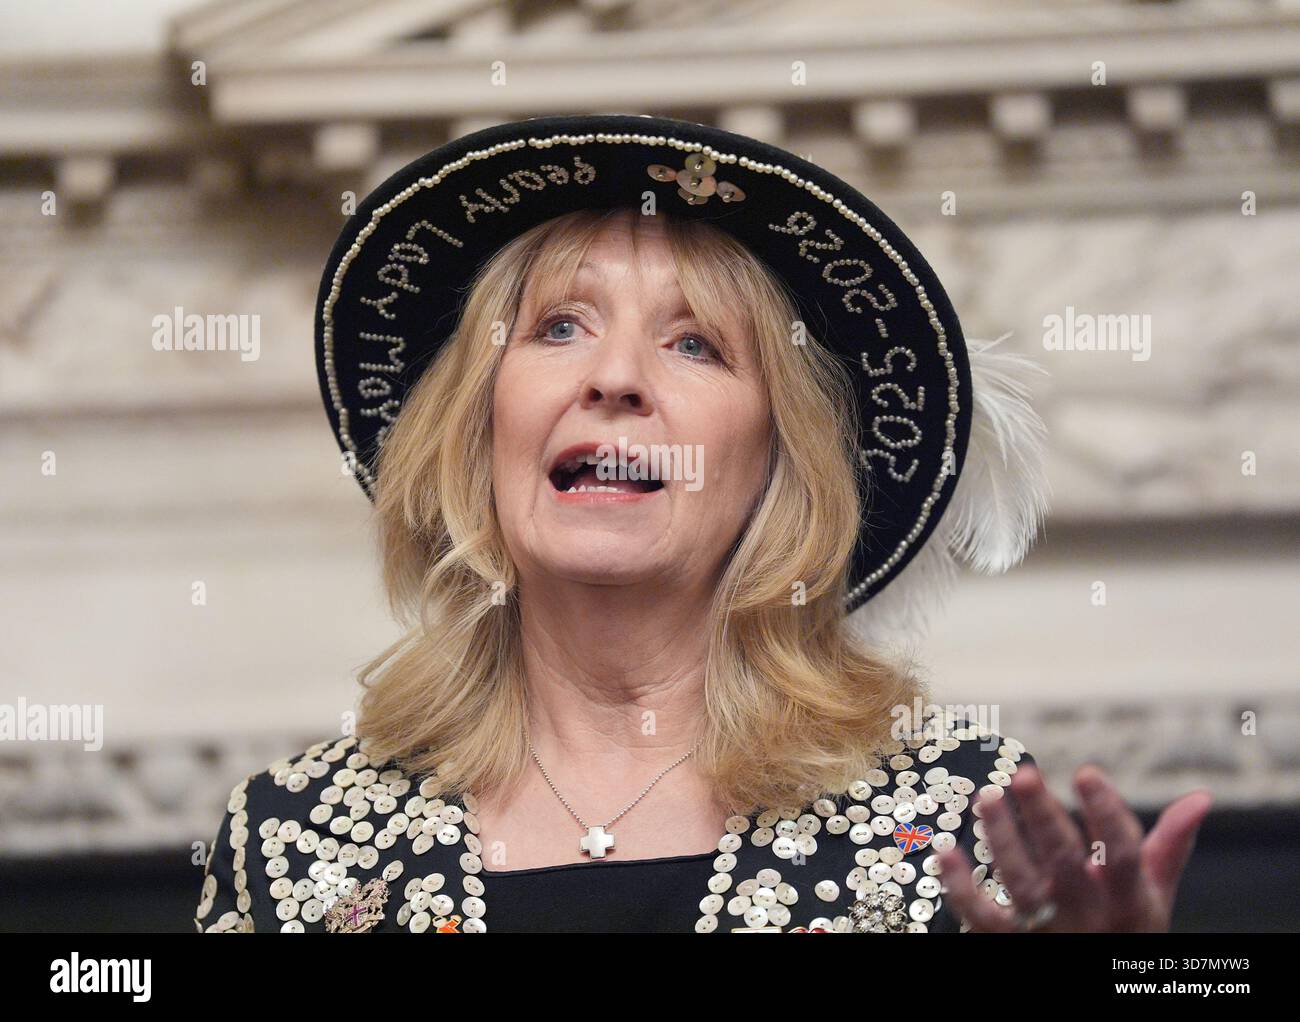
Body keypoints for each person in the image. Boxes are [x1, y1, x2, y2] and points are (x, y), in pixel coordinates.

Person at [195, 113, 1210, 933]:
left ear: (780, 459)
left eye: (695, 344)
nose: (615, 377)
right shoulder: (290, 845)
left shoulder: (960, 819)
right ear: (477, 423)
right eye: (559, 325)